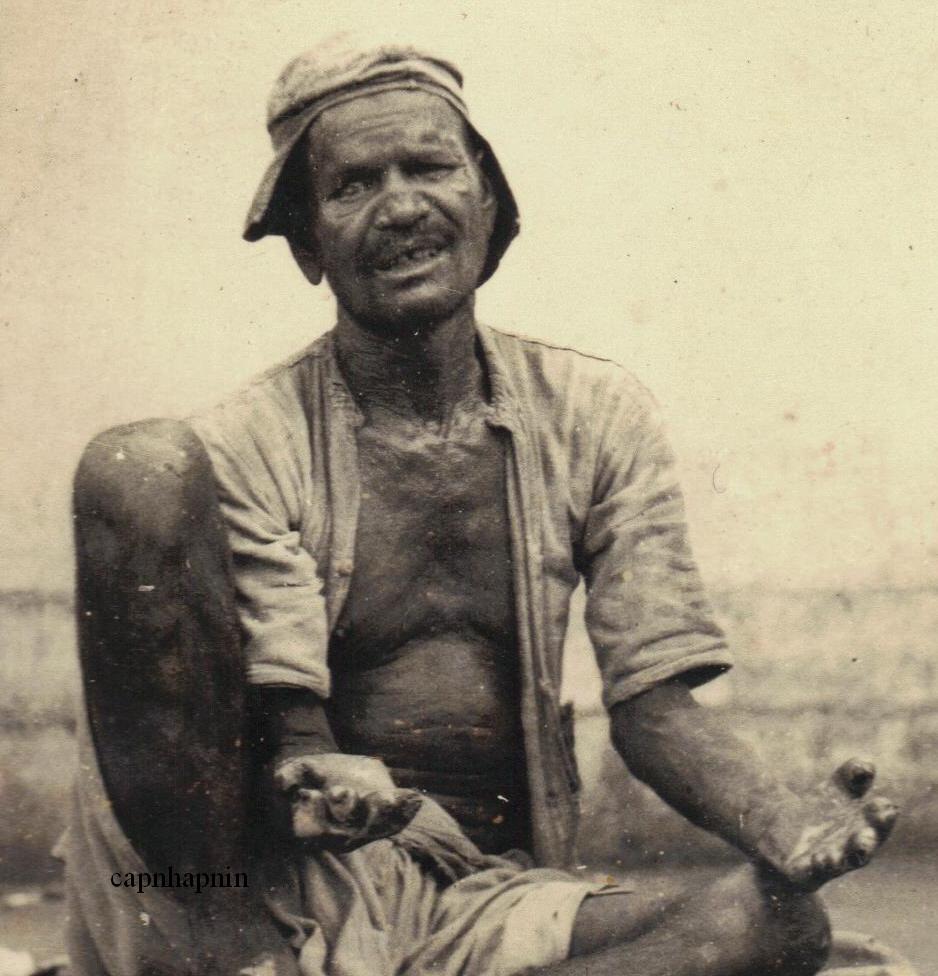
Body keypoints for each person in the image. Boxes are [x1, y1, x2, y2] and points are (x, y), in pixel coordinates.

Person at [65, 37, 899, 976]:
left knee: (784, 926)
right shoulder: (246, 442)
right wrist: (314, 776)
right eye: (352, 186)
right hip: (268, 883)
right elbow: (290, 721)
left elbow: (654, 703)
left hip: (480, 888)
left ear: (490, 203)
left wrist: (777, 814)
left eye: (429, 168)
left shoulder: (596, 414)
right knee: (138, 466)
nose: (401, 207)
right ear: (306, 243)